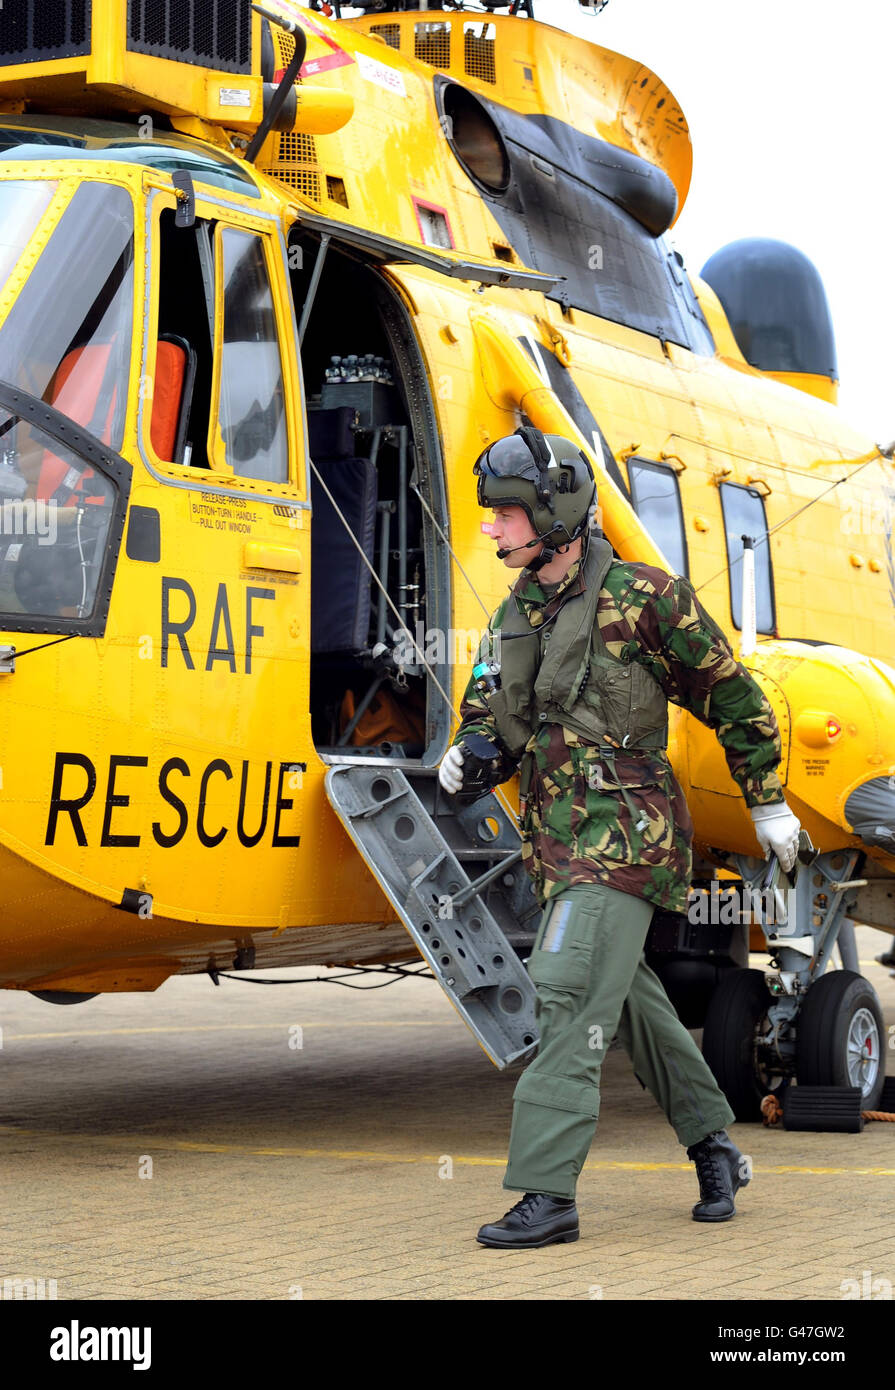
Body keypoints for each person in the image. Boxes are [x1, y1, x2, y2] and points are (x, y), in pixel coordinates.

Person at [438, 426, 801, 1249]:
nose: (491, 527)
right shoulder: (518, 610)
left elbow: (734, 698)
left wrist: (767, 802)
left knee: (565, 992)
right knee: (627, 1005)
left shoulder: (647, 599)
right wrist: (470, 751)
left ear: (552, 513)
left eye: (504, 513)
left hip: (627, 841)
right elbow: (490, 707)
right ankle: (713, 1145)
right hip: (555, 845)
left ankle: (546, 1193)